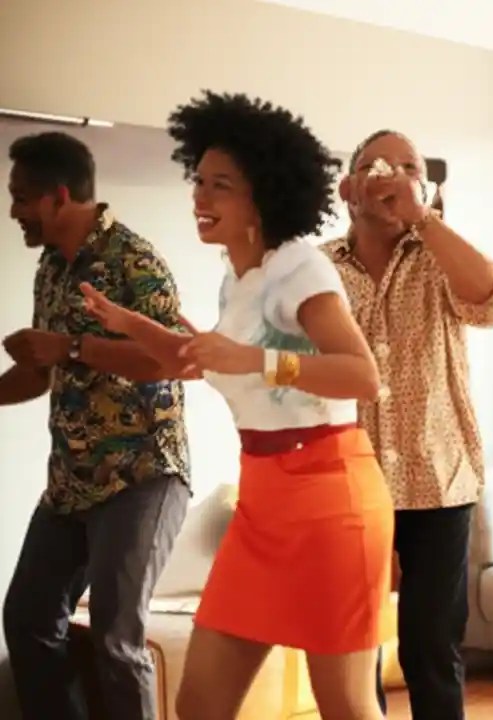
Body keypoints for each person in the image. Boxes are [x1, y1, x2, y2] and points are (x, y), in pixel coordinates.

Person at [78, 91, 394, 719]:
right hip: (263, 507)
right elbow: (194, 359)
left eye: (221, 186)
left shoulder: (300, 268)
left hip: (332, 505)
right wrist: (128, 323)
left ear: (263, 195)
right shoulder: (239, 282)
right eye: (200, 181)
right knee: (200, 705)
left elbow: (363, 377)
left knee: (348, 710)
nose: (201, 198)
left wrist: (258, 360)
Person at [322, 129, 493, 719]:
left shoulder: (439, 254)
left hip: (439, 481)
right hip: (346, 483)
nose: (398, 176)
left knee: (431, 648)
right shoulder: (319, 268)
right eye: (380, 166)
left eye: (412, 168)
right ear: (348, 188)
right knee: (353, 652)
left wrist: (422, 218)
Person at [2, 131, 191, 720]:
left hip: (142, 475)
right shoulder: (50, 269)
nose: (13, 211)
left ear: (59, 197)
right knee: (28, 616)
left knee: (116, 636)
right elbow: (39, 374)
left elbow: (174, 359)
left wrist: (70, 346)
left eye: (22, 197)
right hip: (72, 481)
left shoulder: (133, 260)